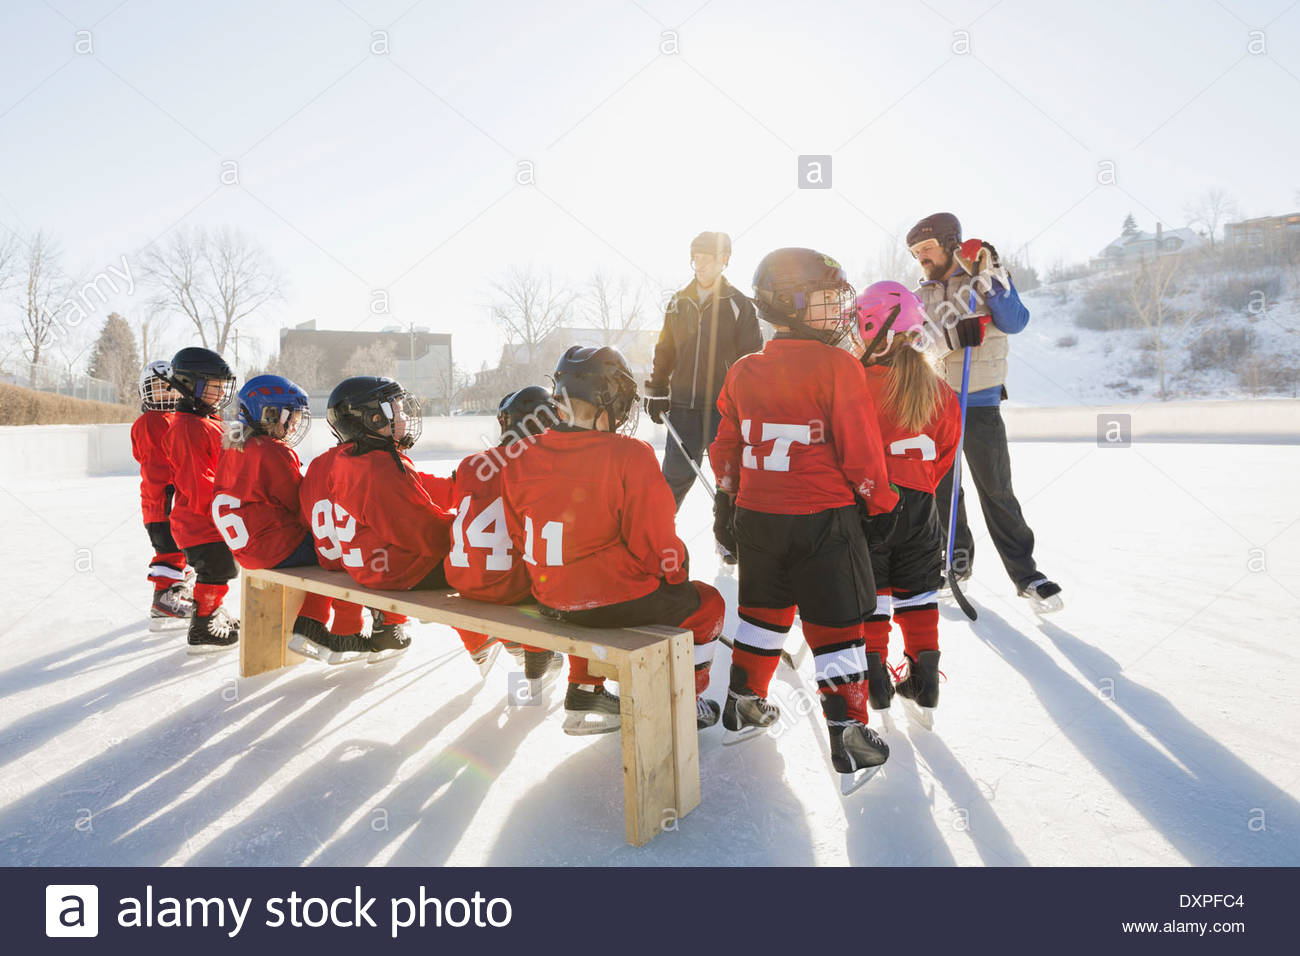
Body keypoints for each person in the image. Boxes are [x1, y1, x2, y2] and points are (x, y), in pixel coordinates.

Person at [709, 248, 898, 792]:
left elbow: (727, 446)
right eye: (822, 302)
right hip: (823, 519)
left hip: (759, 516)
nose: (835, 312)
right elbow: (861, 453)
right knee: (837, 625)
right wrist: (880, 504)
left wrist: (728, 499)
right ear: (786, 305)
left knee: (763, 614)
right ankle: (848, 729)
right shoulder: (839, 365)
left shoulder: (743, 369)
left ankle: (744, 703)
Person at [503, 345, 726, 735]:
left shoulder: (520, 453)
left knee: (587, 577)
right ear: (608, 399)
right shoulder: (629, 454)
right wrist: (677, 575)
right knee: (708, 604)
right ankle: (686, 702)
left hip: (548, 598)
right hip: (606, 604)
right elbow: (655, 544)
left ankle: (585, 689)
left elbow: (518, 532)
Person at [907, 212, 1063, 613]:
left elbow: (1016, 321)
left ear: (948, 243)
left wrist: (992, 284)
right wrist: (954, 336)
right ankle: (955, 566)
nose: (921, 257)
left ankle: (1027, 575)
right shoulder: (920, 293)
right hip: (937, 403)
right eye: (915, 252)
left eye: (926, 248)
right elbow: (917, 345)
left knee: (996, 489)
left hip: (978, 400)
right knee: (943, 491)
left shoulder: (983, 275)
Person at [853, 281, 962, 731]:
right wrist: (916, 485)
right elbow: (945, 454)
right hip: (921, 509)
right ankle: (924, 681)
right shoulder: (938, 389)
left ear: (871, 324)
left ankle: (875, 677)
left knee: (874, 593)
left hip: (871, 504)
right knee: (917, 593)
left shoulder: (856, 382)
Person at [213, 374, 369, 664]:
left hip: (246, 551)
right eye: (291, 417)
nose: (295, 425)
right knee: (344, 550)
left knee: (326, 547)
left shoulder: (233, 447)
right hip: (274, 549)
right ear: (268, 414)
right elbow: (302, 507)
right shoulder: (273, 451)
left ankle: (310, 623)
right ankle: (340, 630)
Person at [299, 376, 454, 662]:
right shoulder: (378, 470)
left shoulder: (352, 460)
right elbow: (426, 534)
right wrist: (465, 528)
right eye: (395, 409)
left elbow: (412, 492)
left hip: (365, 563)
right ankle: (514, 644)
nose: (404, 416)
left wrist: (459, 489)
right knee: (489, 560)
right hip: (394, 571)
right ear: (372, 419)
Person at [445, 386, 567, 695]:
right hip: (512, 589)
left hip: (465, 580)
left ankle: (481, 642)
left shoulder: (470, 464)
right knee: (550, 567)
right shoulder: (538, 467)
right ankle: (536, 653)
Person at [644, 231, 762, 516]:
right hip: (683, 406)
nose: (700, 265)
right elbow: (665, 348)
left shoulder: (739, 305)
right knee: (673, 476)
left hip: (723, 409)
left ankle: (731, 538)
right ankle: (656, 534)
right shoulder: (678, 302)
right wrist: (658, 389)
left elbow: (751, 359)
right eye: (695, 258)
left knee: (730, 479)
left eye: (706, 258)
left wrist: (747, 402)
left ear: (724, 260)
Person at [161, 347, 240, 653]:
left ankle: (211, 610)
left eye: (223, 387)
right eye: (213, 386)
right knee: (217, 570)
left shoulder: (206, 420)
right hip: (200, 522)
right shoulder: (186, 427)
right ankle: (203, 627)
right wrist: (223, 511)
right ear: (188, 384)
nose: (220, 393)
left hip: (208, 519)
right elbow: (198, 483)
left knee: (222, 569)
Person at [130, 359, 195, 630]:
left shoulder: (169, 419)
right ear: (147, 392)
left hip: (164, 504)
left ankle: (174, 593)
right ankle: (164, 600)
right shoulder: (150, 421)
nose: (167, 394)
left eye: (172, 389)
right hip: (163, 506)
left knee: (181, 550)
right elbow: (164, 455)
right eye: (159, 389)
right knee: (170, 552)